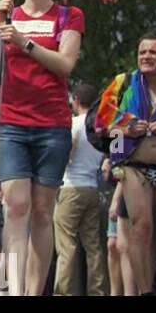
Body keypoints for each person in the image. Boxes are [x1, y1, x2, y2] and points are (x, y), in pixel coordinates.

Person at [0, 0, 84, 296]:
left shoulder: (69, 15)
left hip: (52, 125)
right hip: (11, 122)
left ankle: (33, 291)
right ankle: (13, 291)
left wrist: (24, 41)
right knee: (16, 206)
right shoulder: (4, 17)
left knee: (43, 211)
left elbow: (65, 64)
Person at [96, 31, 156, 296]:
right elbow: (101, 122)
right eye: (142, 52)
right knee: (141, 229)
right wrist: (128, 127)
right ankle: (147, 291)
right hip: (133, 167)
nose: (146, 56)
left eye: (154, 52)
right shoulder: (123, 83)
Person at [53, 84, 106, 295]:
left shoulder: (74, 124)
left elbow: (69, 152)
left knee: (66, 246)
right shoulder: (100, 127)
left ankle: (62, 292)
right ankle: (97, 291)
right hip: (93, 189)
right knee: (93, 247)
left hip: (71, 188)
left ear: (75, 100)